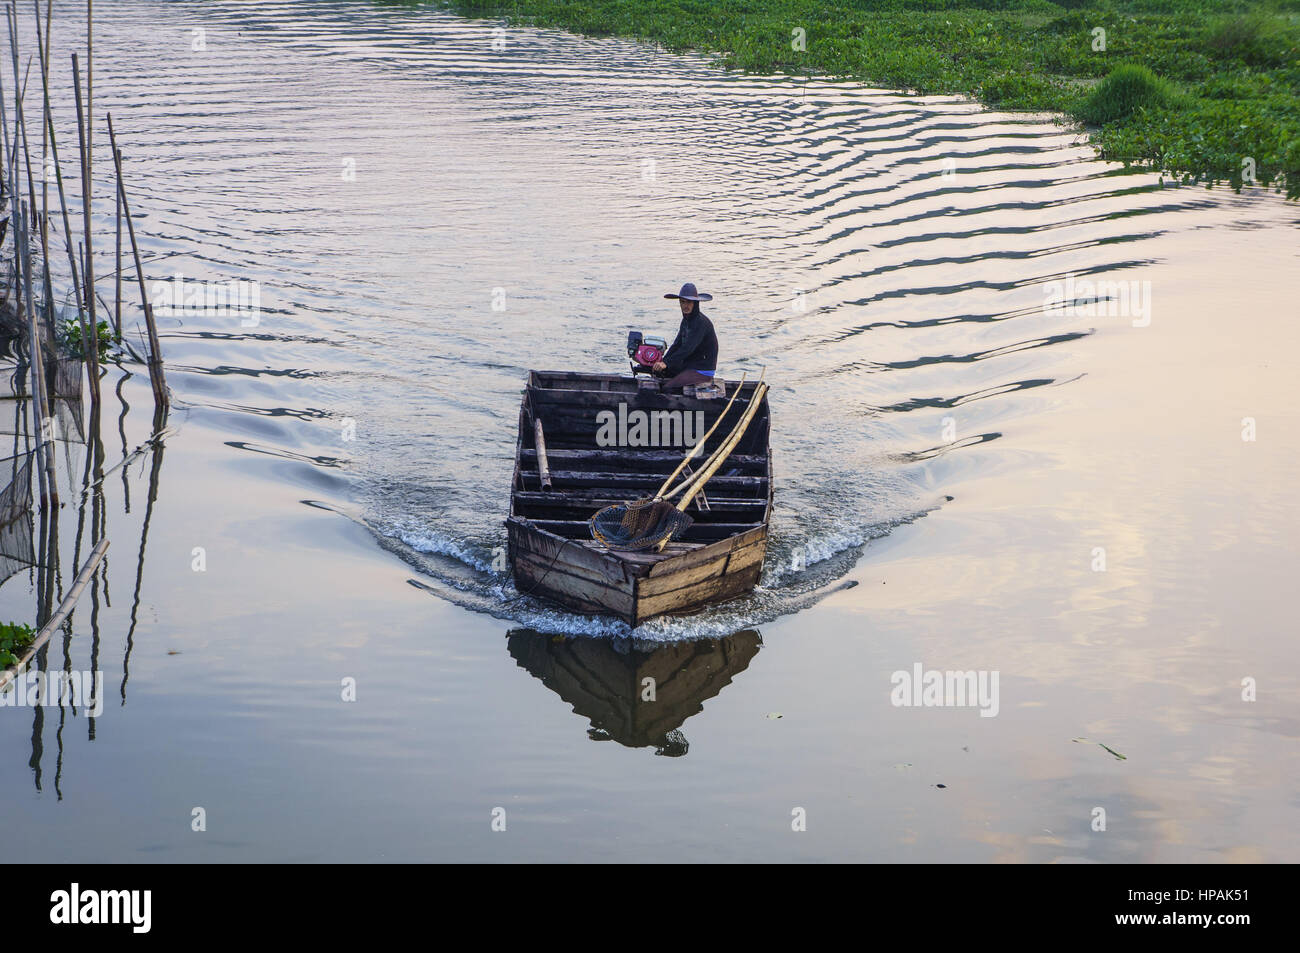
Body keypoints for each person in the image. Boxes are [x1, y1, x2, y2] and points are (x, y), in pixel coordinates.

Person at [654, 282, 718, 390]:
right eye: (682, 302)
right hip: (689, 365)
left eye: (689, 302)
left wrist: (667, 363)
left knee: (667, 388)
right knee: (659, 373)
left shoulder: (701, 322)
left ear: (695, 303)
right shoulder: (686, 321)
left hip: (703, 369)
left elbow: (687, 348)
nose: (685, 306)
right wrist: (663, 361)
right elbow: (677, 344)